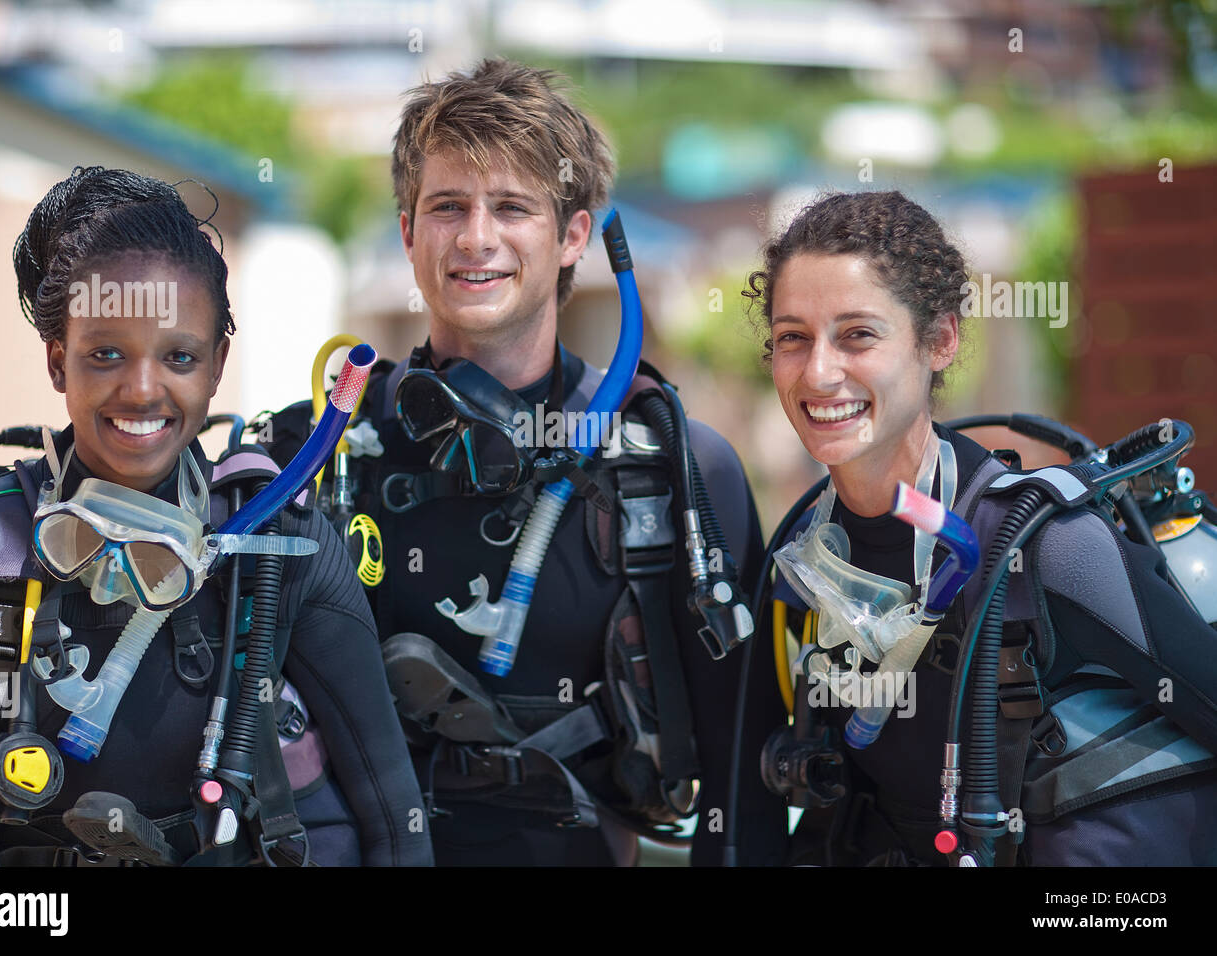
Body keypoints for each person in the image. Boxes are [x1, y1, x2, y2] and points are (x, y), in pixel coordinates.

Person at [266, 59, 786, 866]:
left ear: (574, 233)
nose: (477, 238)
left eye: (512, 207)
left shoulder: (673, 471)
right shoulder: (308, 453)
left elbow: (741, 781)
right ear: (407, 233)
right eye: (447, 208)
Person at [0, 166, 432, 866]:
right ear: (56, 360)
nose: (141, 389)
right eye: (105, 354)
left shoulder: (279, 541)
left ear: (217, 367)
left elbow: (394, 817)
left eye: (179, 356)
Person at [744, 189, 1217, 866]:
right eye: (793, 337)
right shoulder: (803, 565)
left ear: (939, 340)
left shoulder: (1047, 546)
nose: (819, 372)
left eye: (858, 334)